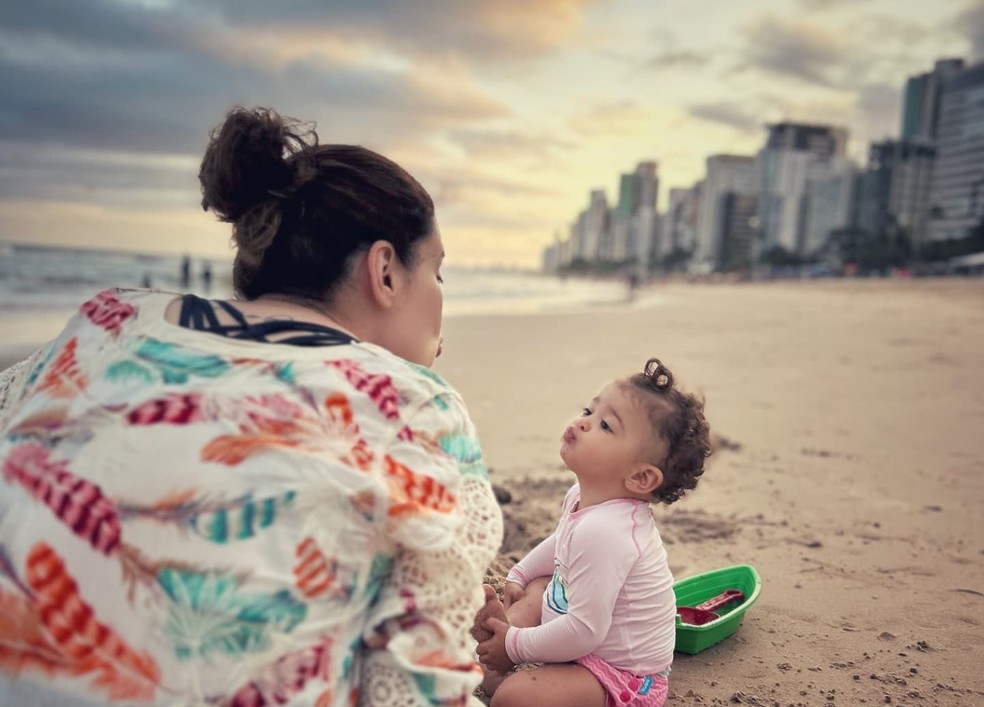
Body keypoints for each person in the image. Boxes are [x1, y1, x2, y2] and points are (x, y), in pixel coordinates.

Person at [0, 106, 503, 706]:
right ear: (385, 272)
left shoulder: (109, 320)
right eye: (438, 273)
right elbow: (414, 690)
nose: (441, 298)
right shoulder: (417, 406)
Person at [474, 358, 711, 707]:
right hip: (578, 636)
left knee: (513, 698)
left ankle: (507, 649)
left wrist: (515, 645)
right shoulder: (583, 497)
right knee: (539, 586)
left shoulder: (608, 535)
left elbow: (585, 632)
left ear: (640, 478)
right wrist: (521, 572)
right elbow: (562, 542)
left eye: (604, 425)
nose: (583, 423)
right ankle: (503, 643)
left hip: (619, 673)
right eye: (589, 409)